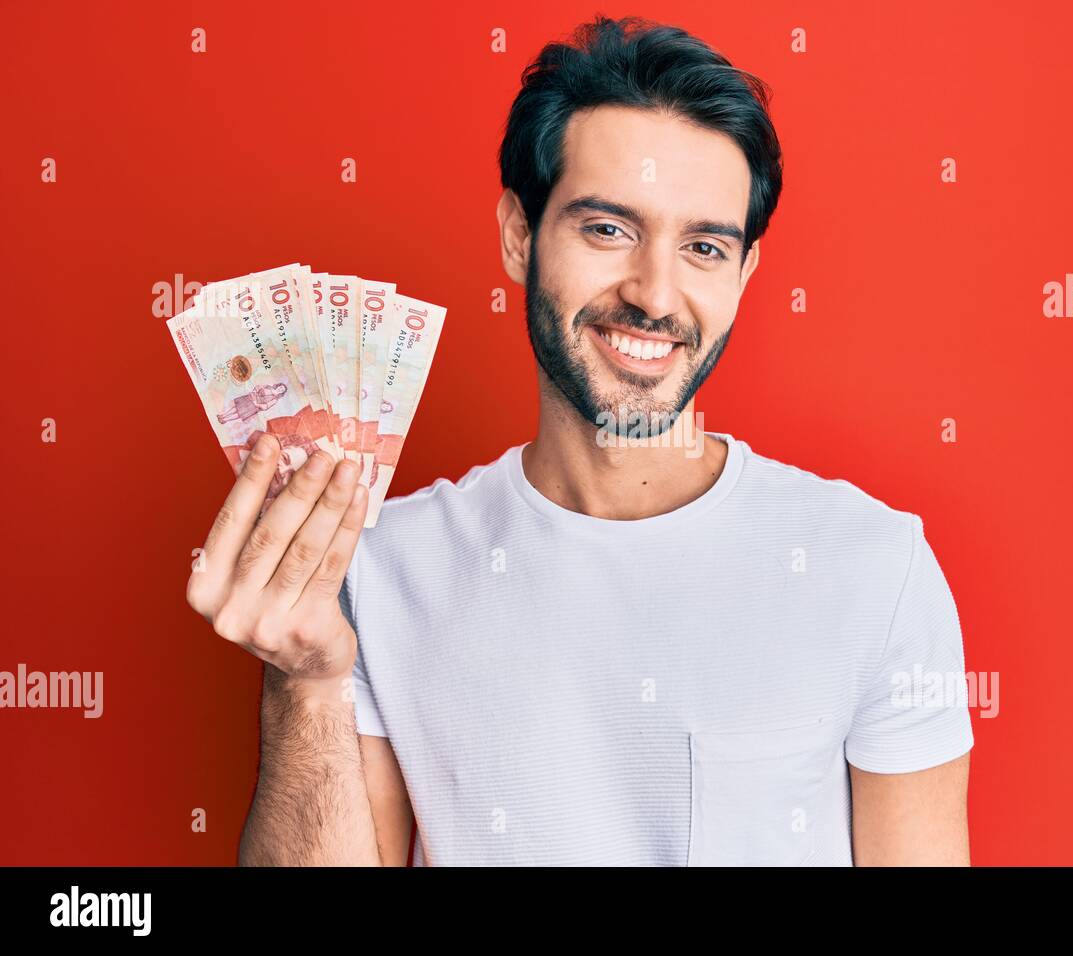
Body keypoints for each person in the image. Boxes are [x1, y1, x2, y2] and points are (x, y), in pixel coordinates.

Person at [184, 15, 974, 867]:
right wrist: (303, 681)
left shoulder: (873, 567)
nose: (654, 294)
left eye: (704, 247)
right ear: (519, 235)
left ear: (744, 276)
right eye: (608, 230)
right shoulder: (379, 569)